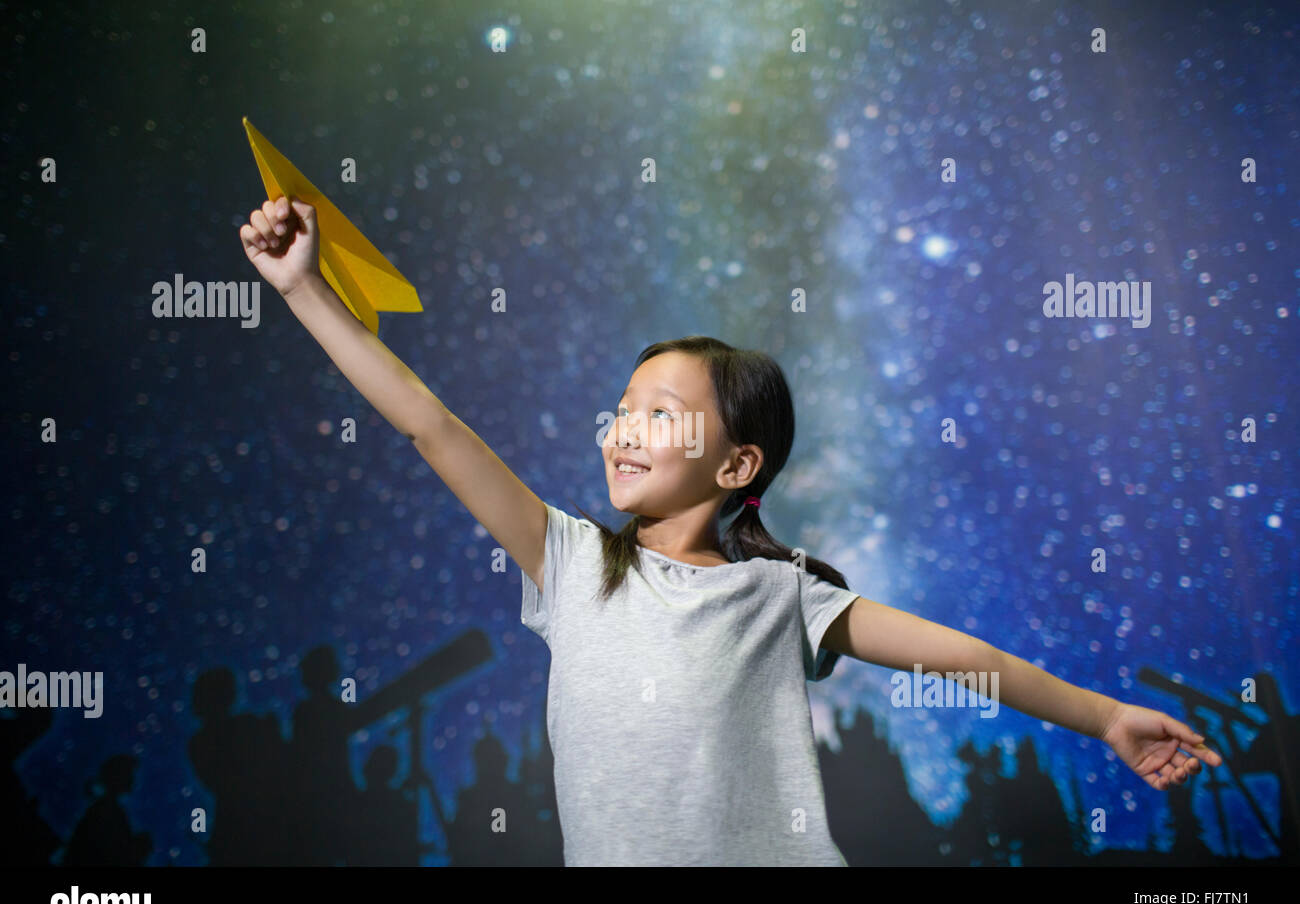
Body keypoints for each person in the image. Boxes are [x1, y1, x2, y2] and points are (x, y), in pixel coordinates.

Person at [239, 196, 1223, 865]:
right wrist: (302, 289)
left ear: (738, 463)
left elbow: (958, 656)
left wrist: (1101, 715)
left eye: (661, 411)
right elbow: (429, 424)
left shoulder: (782, 590)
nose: (625, 426)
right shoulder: (573, 561)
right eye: (622, 405)